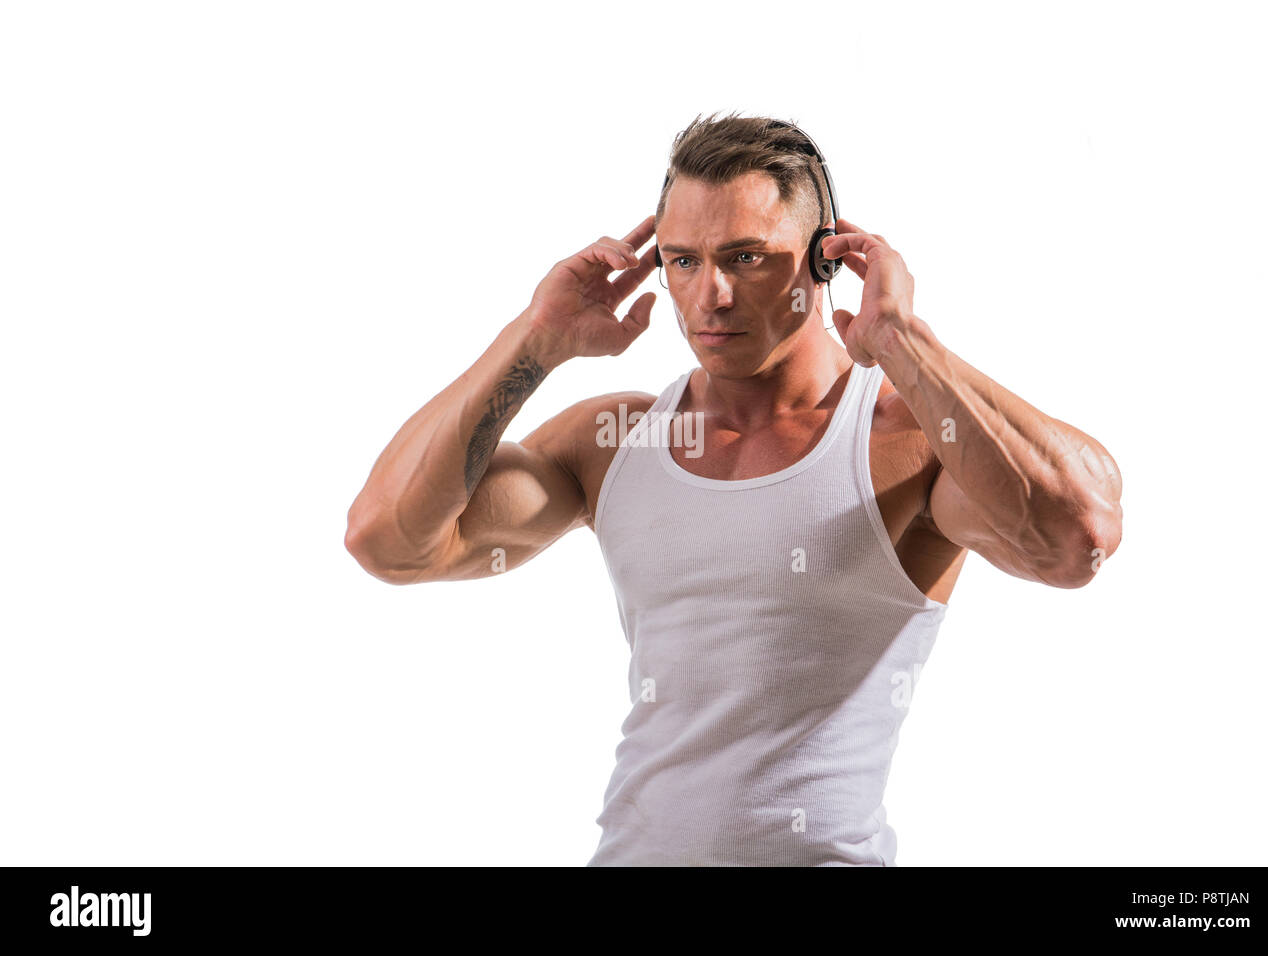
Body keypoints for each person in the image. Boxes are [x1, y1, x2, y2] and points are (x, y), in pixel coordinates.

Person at [344, 112, 1124, 866]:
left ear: (826, 260)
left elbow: (1077, 536)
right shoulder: (612, 443)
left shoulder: (905, 440)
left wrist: (903, 343)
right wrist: (533, 340)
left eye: (746, 257)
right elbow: (387, 541)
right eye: (683, 260)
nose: (709, 295)